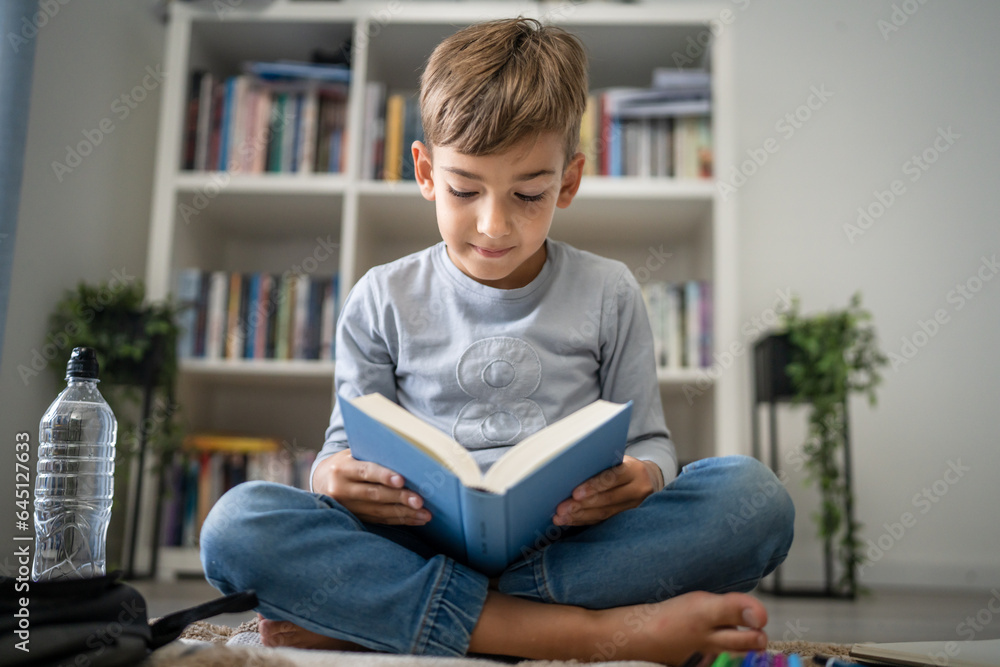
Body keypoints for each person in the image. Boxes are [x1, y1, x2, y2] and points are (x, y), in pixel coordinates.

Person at [200, 18, 794, 665]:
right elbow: (345, 447)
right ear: (425, 171)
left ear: (569, 181)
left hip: (570, 550)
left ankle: (386, 617)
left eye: (529, 192)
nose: (493, 223)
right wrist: (332, 474)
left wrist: (644, 475)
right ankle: (592, 633)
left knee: (754, 500)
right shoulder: (380, 294)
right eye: (464, 189)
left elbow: (650, 442)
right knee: (237, 525)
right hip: (415, 546)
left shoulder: (610, 291)